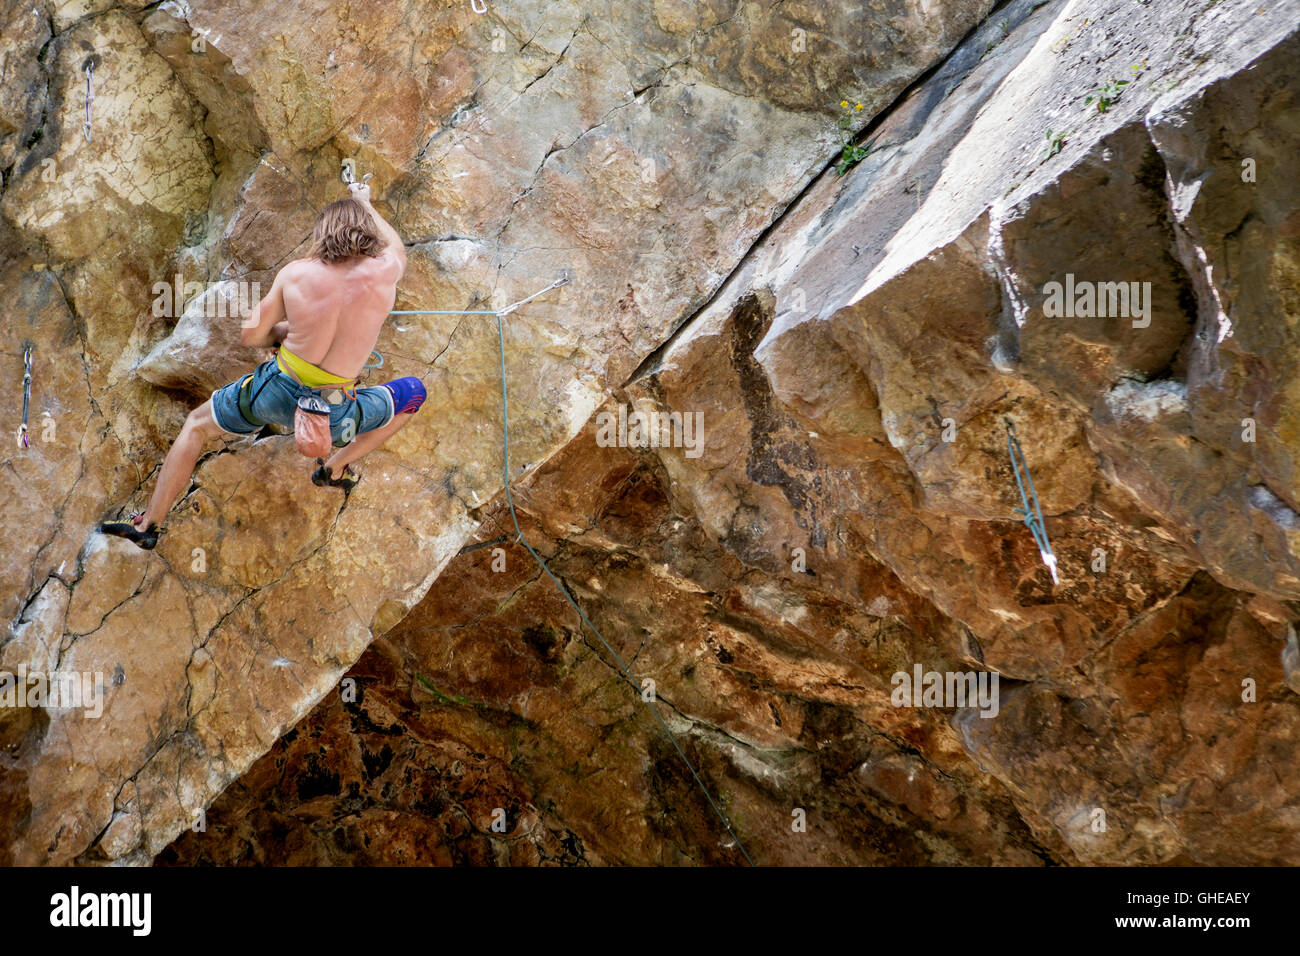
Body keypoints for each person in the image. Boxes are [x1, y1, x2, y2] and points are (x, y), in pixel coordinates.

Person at [101, 181, 426, 549]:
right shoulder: (385, 271)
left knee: (196, 426)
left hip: (273, 391)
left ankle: (149, 525)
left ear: (323, 235)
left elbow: (251, 336)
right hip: (335, 413)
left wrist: (283, 333)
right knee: (414, 393)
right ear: (366, 232)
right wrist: (364, 202)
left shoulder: (296, 274)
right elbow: (395, 246)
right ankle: (335, 467)